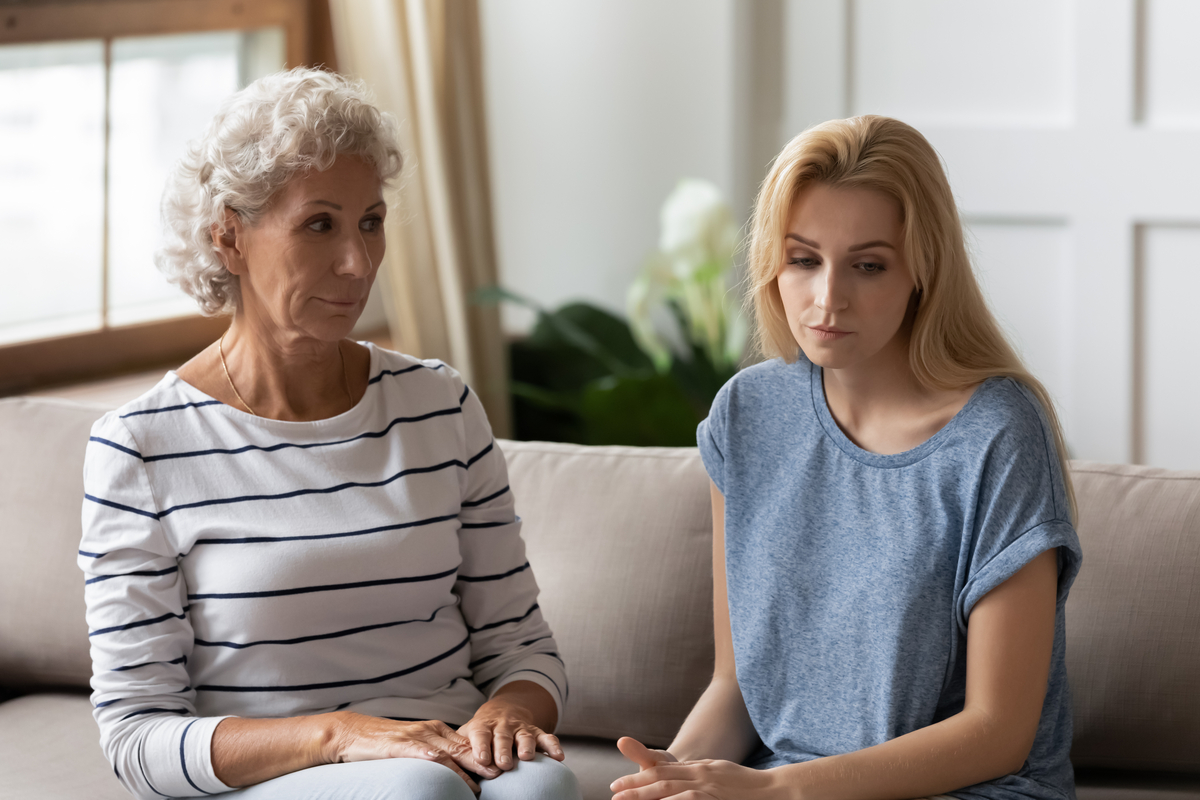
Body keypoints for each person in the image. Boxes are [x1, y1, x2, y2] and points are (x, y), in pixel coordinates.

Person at [79, 68, 580, 800]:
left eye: (370, 222)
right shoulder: (141, 447)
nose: (358, 263)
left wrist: (510, 708)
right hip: (283, 771)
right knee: (417, 793)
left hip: (449, 754)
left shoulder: (438, 403)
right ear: (229, 237)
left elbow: (521, 644)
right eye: (320, 225)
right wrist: (339, 733)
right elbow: (135, 732)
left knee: (542, 790)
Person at [611, 115, 1083, 800]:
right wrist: (670, 780)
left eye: (868, 265)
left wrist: (776, 793)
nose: (828, 298)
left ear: (924, 269)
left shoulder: (999, 433)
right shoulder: (748, 415)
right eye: (803, 259)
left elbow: (997, 731)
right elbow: (737, 686)